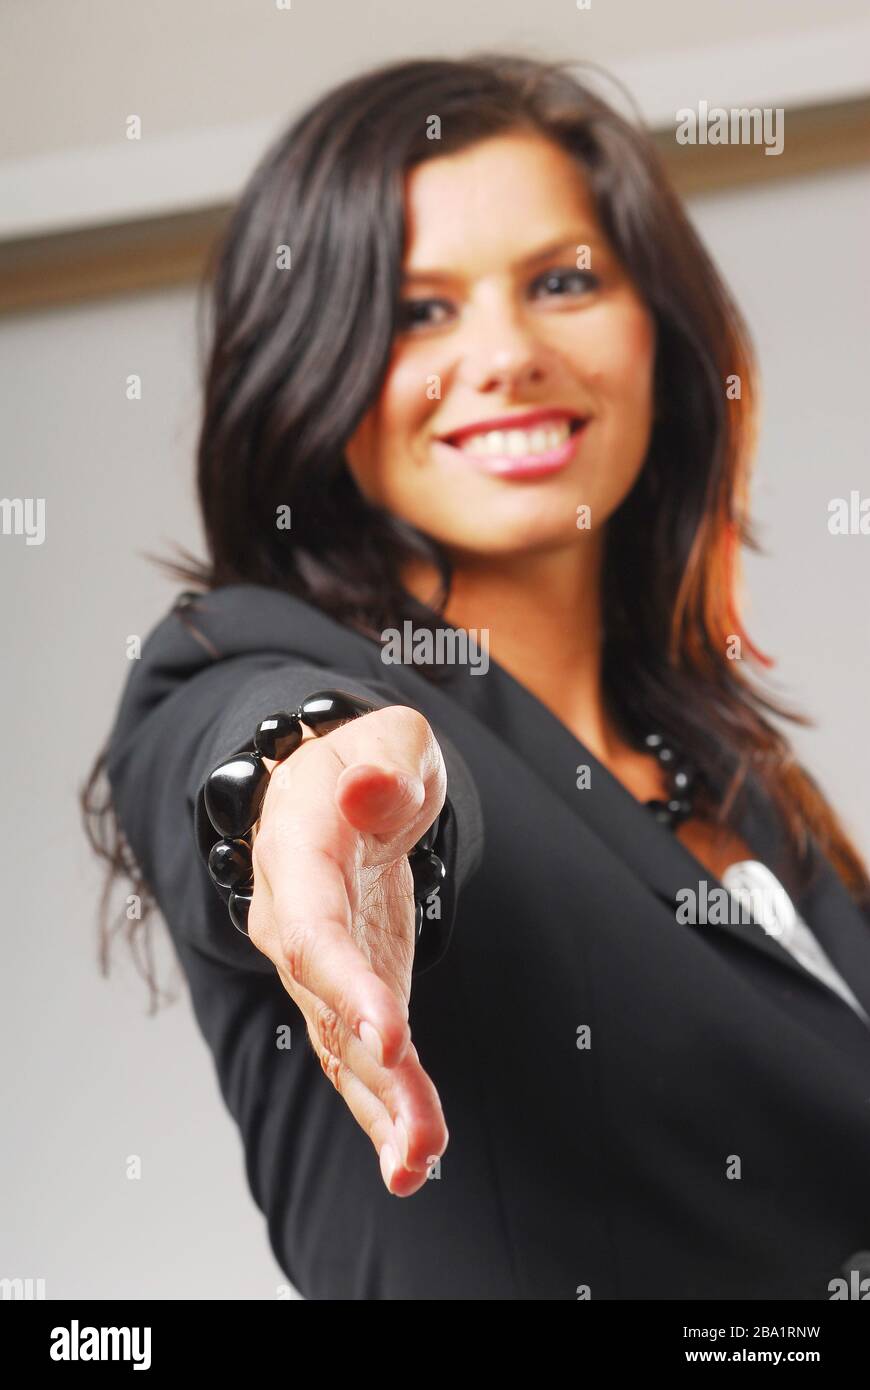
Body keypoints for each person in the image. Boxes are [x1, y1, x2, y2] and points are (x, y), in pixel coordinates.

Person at [85, 54, 870, 1300]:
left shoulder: (739, 783)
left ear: (656, 333)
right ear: (315, 368)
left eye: (563, 281)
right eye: (419, 310)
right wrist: (317, 796)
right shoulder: (237, 658)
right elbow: (277, 749)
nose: (507, 354)